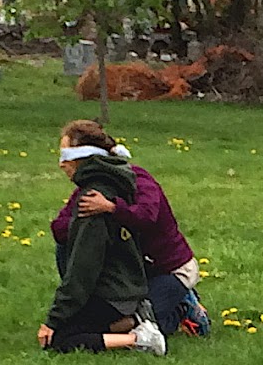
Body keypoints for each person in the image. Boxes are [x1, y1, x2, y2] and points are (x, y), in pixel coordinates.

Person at [50, 120, 209, 337]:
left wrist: (112, 209)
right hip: (129, 268)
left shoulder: (139, 180)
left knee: (143, 325)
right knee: (67, 249)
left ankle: (183, 306)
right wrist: (86, 226)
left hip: (167, 268)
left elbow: (147, 216)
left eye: (66, 156)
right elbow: (59, 228)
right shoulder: (89, 191)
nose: (61, 164)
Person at [37, 129, 166, 357]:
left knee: (61, 338)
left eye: (65, 156)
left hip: (112, 293)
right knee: (79, 326)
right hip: (124, 288)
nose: (61, 164)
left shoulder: (92, 201)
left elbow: (83, 269)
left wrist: (53, 321)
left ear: (83, 157)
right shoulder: (111, 186)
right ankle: (133, 320)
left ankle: (140, 340)